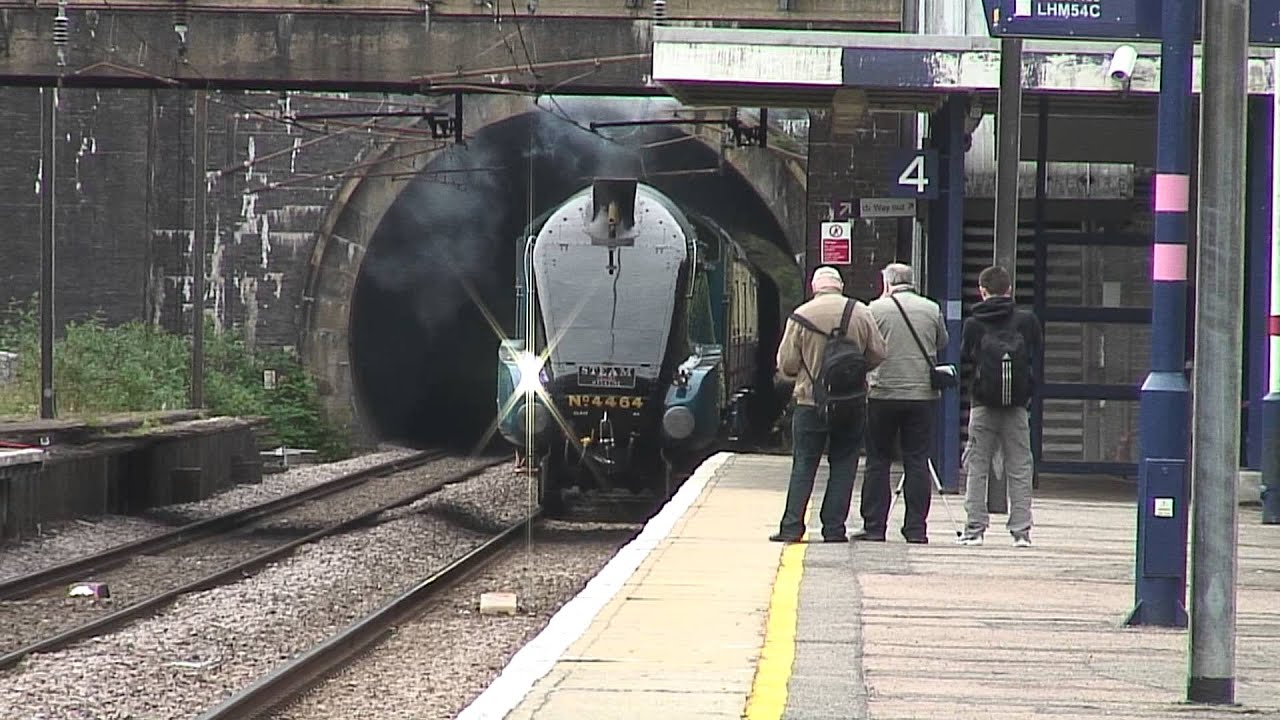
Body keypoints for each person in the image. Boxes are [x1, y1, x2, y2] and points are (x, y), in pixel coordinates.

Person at [771, 266, 887, 543]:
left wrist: (808, 372)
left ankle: (791, 527)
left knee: (804, 464)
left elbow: (786, 364)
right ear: (840, 286)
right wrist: (855, 374)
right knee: (845, 463)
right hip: (851, 403)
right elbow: (879, 353)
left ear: (814, 288)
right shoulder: (860, 312)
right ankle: (834, 529)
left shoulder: (801, 315)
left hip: (811, 402)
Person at [852, 263, 948, 544]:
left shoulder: (874, 309)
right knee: (917, 460)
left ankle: (874, 527)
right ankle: (916, 529)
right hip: (921, 395)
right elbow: (942, 341)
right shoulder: (931, 309)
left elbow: (865, 348)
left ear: (887, 283)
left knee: (878, 461)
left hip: (882, 394)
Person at [957, 265, 1042, 547]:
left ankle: (975, 530)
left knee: (977, 465)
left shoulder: (974, 323)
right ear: (1009, 290)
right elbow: (1035, 353)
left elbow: (966, 357)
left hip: (983, 403)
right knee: (1019, 465)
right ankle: (1021, 532)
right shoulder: (1026, 320)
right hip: (1017, 405)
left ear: (982, 291)